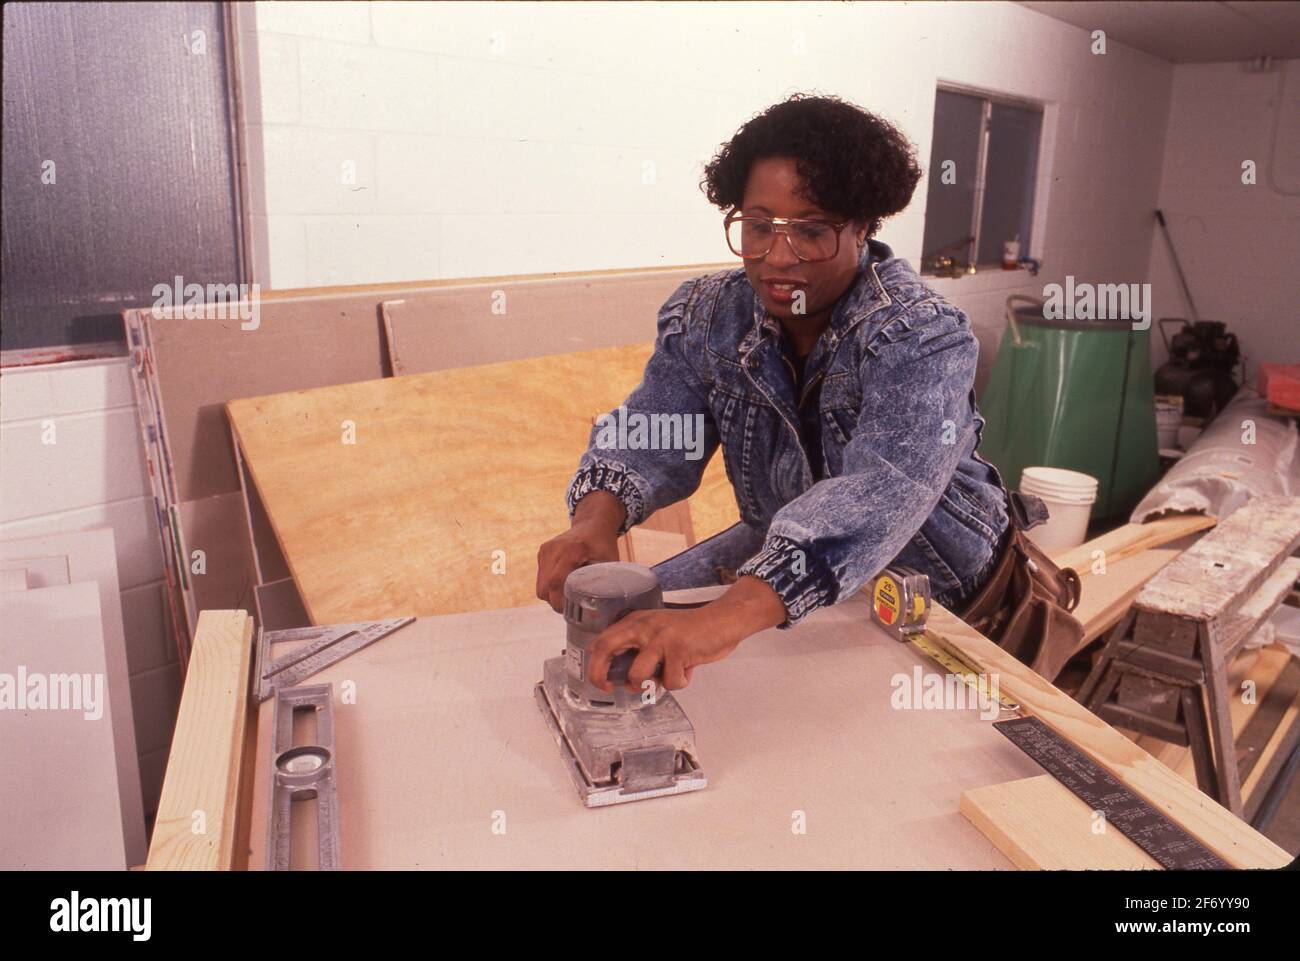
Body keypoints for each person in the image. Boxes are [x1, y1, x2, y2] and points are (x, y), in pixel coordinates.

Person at [536, 93, 1015, 696]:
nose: (778, 257)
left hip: (935, 577)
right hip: (786, 541)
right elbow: (654, 430)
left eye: (811, 230)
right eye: (759, 227)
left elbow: (881, 492)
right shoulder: (709, 315)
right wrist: (594, 519)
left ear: (863, 226)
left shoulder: (921, 336)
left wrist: (723, 620)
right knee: (631, 632)